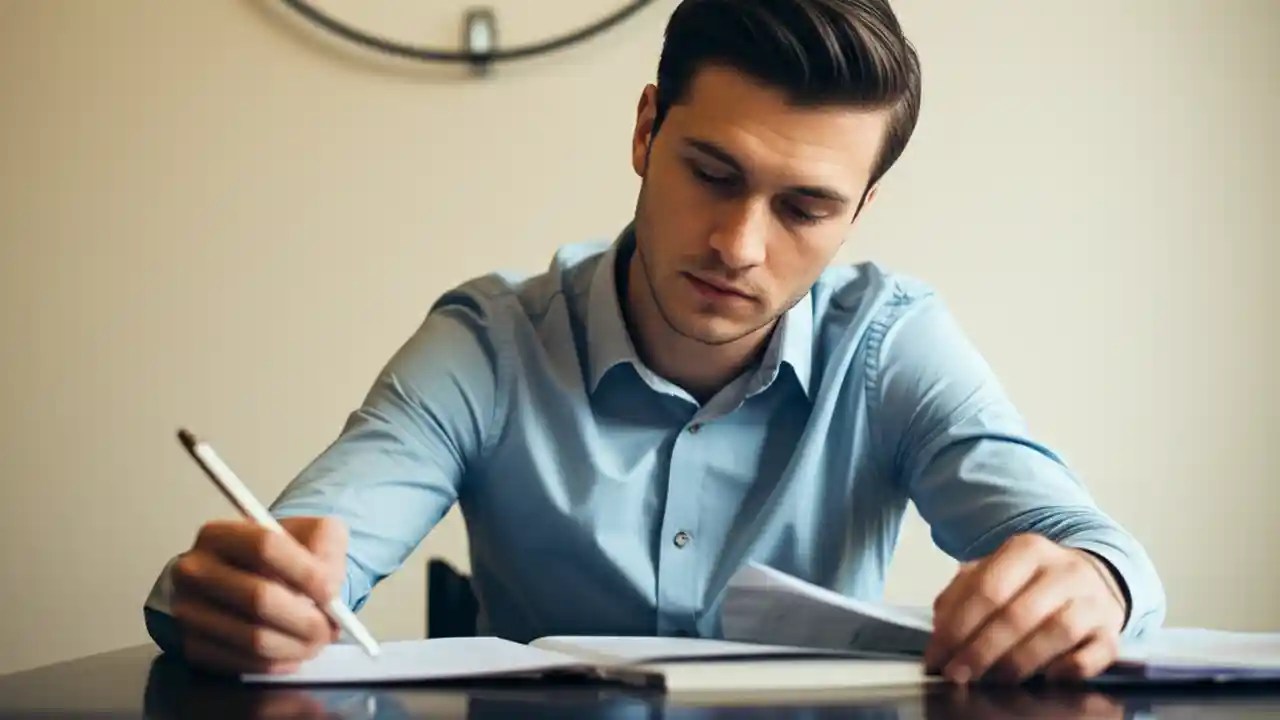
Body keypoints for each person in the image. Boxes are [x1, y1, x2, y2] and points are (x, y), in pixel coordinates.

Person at [144, 0, 1166, 684]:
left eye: (805, 206)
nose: (737, 245)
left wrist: (1089, 587)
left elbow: (1099, 554)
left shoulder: (891, 346)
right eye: (711, 173)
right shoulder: (488, 345)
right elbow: (294, 555)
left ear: (858, 210)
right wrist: (239, 599)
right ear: (645, 132)